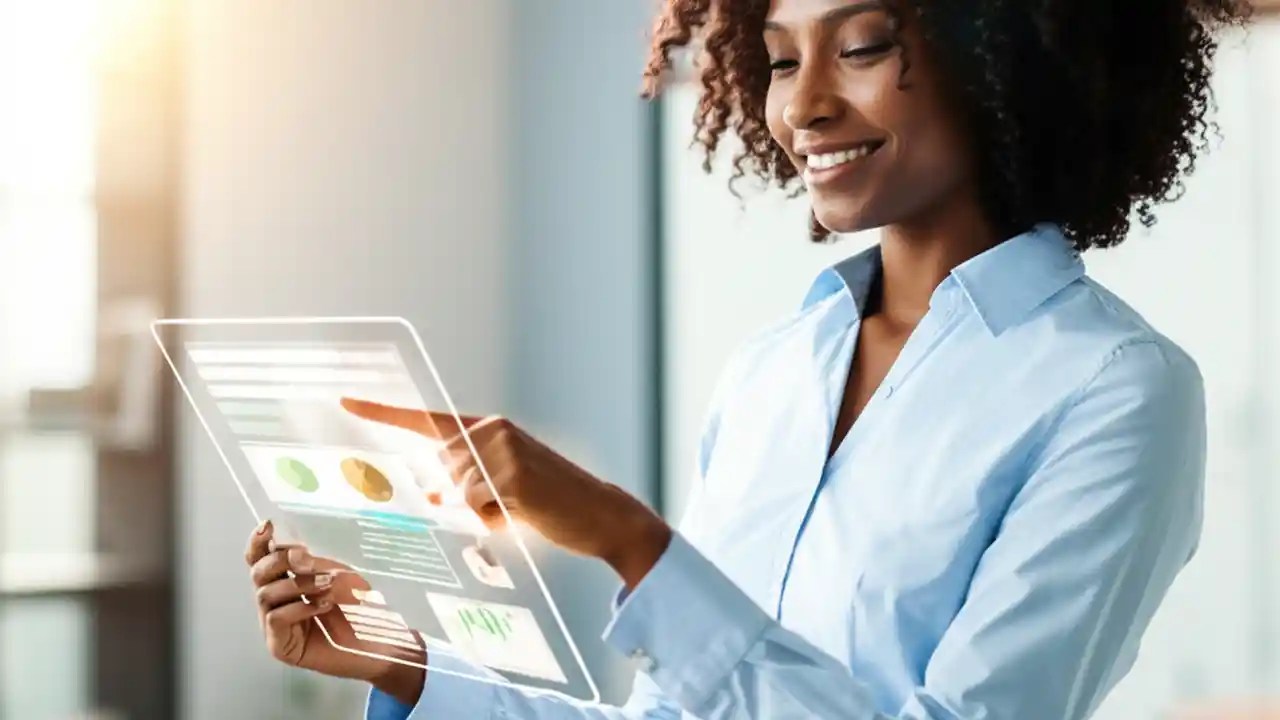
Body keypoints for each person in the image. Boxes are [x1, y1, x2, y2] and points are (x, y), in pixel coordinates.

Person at [243, 0, 1250, 717]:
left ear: (1004, 59)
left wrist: (630, 542)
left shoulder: (1115, 390)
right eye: (776, 59)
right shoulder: (774, 369)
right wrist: (404, 665)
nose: (802, 105)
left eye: (859, 46)